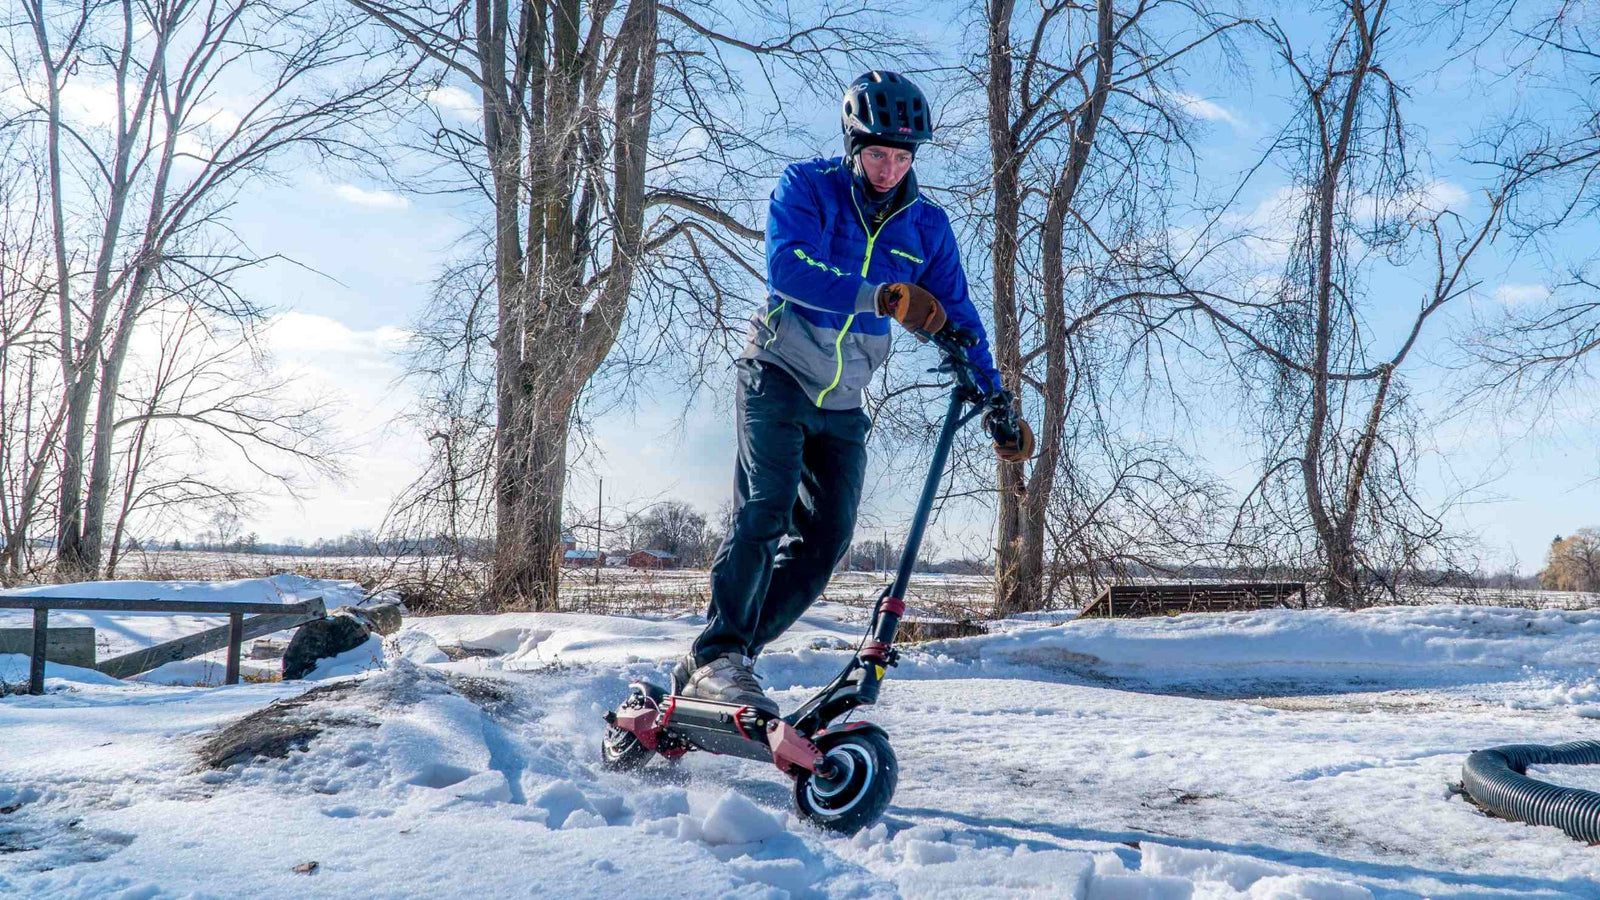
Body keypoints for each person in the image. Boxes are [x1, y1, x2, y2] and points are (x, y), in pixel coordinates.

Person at [672, 71, 1034, 714]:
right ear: (853, 145)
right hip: (777, 373)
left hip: (843, 400)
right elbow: (788, 268)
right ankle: (718, 654)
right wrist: (881, 297)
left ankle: (723, 657)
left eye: (902, 157)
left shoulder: (927, 227)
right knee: (767, 506)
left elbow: (959, 316)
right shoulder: (807, 187)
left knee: (828, 538)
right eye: (877, 155)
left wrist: (996, 399)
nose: (889, 169)